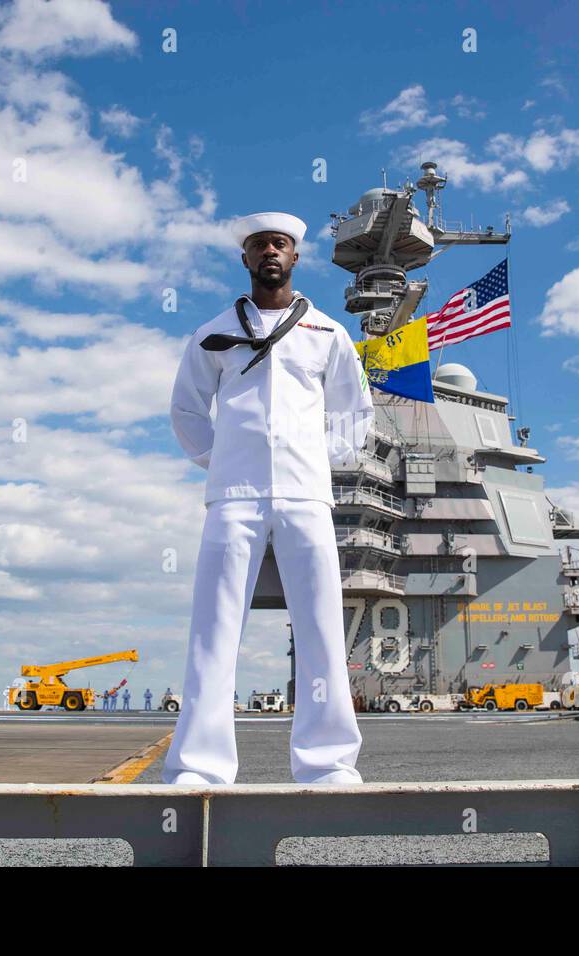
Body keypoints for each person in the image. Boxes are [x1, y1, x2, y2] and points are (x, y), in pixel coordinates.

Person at [162, 212, 373, 785]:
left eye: (279, 244)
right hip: (233, 494)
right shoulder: (211, 333)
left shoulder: (328, 334)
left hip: (306, 495)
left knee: (323, 623)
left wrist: (312, 461)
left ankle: (327, 762)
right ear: (246, 259)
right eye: (259, 245)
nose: (270, 253)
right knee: (214, 623)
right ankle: (200, 766)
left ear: (295, 257)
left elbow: (353, 413)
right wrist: (223, 457)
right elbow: (186, 409)